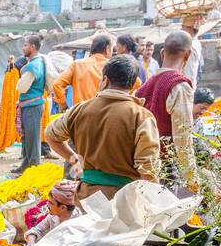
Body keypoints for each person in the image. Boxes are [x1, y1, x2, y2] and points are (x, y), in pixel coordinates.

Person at [44, 53, 161, 203]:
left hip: (87, 198)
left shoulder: (79, 110)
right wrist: (157, 200)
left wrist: (75, 161)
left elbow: (50, 135)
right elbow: (148, 168)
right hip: (125, 201)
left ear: (105, 80)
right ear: (133, 85)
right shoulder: (142, 116)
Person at [134, 30, 199, 193]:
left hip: (140, 165)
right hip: (164, 166)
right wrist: (192, 178)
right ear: (188, 55)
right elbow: (182, 138)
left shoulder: (144, 87)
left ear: (162, 53)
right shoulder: (180, 86)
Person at [51, 32, 112, 109]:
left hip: (80, 114)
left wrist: (63, 105)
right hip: (104, 114)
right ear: (107, 49)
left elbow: (57, 84)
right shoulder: (112, 66)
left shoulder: (77, 65)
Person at [15, 33, 48, 173]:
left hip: (32, 105)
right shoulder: (37, 62)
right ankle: (27, 163)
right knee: (28, 136)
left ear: (33, 47)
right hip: (30, 105)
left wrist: (20, 76)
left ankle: (33, 167)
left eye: (25, 45)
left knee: (32, 138)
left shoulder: (33, 65)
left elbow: (21, 87)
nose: (23, 48)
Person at [25, 180, 79, 246]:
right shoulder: (54, 216)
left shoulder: (77, 225)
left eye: (51, 203)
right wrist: (31, 243)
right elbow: (37, 230)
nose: (47, 205)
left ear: (63, 208)